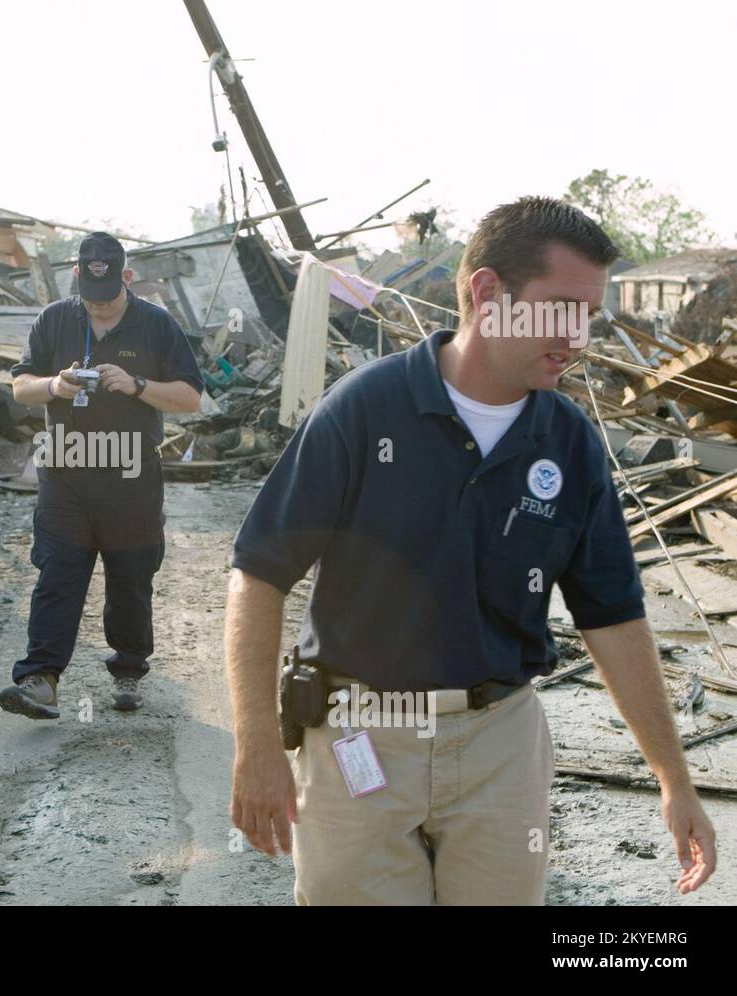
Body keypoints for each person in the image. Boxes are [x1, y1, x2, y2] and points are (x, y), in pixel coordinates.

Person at [225, 196, 717, 904]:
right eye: (562, 309)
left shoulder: (570, 442)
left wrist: (674, 779)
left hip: (499, 746)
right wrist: (256, 746)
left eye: (590, 315)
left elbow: (612, 615)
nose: (579, 337)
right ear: (488, 294)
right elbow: (259, 574)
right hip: (362, 737)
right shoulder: (366, 410)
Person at [0, 232, 203, 719]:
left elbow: (191, 398)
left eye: (110, 297)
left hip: (131, 470)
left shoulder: (156, 324)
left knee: (131, 576)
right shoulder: (53, 319)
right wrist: (55, 385)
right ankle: (40, 679)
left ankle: (129, 668)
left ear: (127, 278)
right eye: (92, 300)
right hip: (66, 469)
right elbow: (20, 387)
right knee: (58, 572)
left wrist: (137, 385)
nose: (102, 309)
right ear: (76, 279)